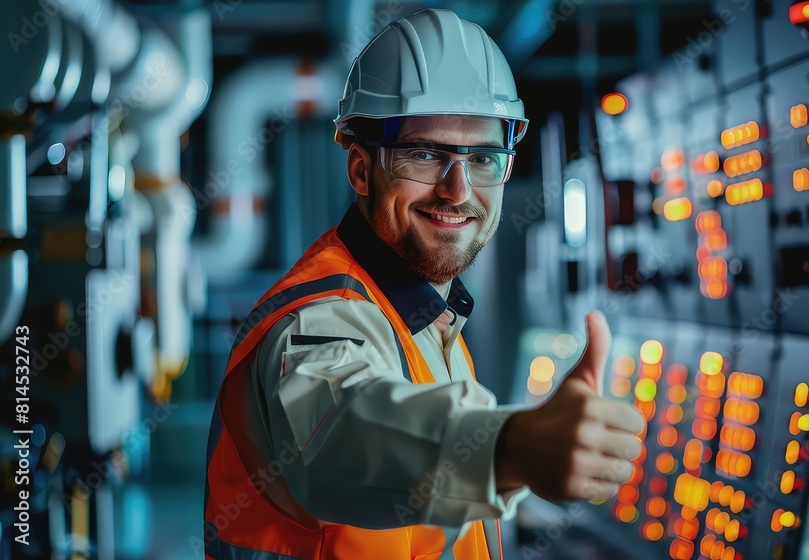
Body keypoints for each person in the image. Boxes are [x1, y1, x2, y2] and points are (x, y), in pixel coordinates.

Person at [203, 9, 644, 559]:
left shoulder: (429, 314)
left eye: (483, 157)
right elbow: (344, 434)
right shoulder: (321, 318)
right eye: (424, 154)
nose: (457, 190)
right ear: (361, 170)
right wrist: (509, 450)